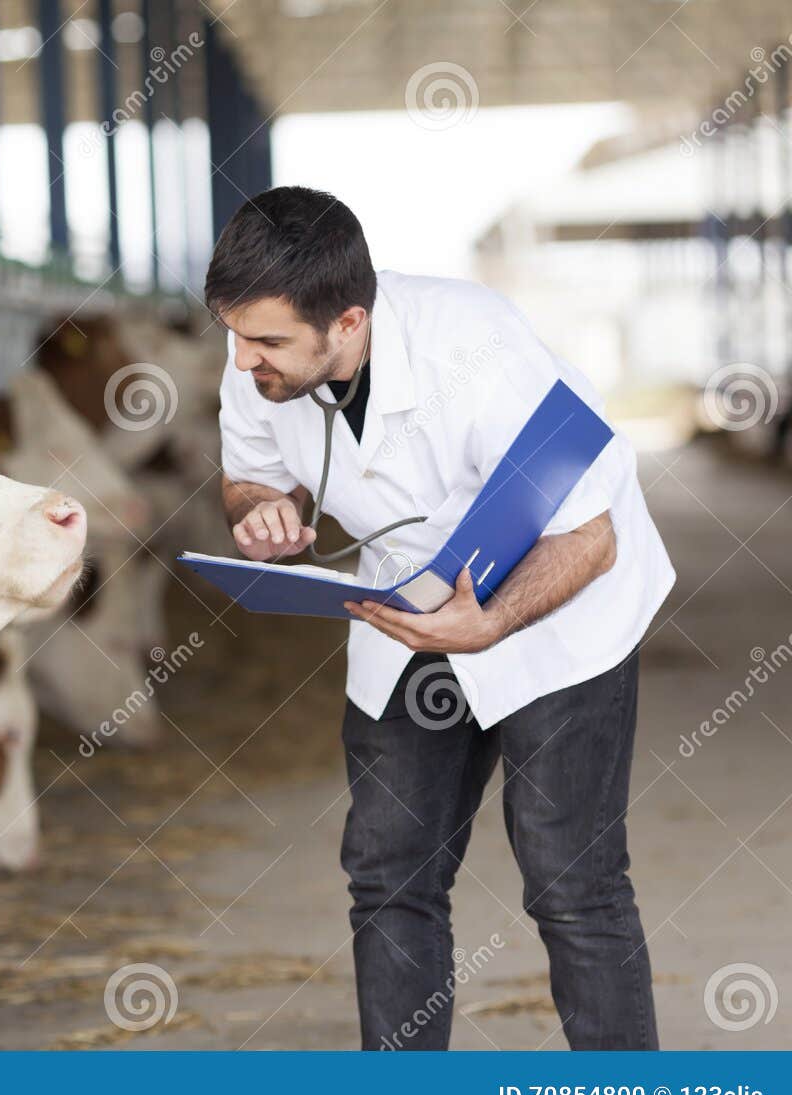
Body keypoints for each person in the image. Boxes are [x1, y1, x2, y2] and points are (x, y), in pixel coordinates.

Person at [210, 186, 674, 1050]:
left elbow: (590, 536)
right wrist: (263, 505)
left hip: (556, 612)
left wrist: (491, 625)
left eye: (267, 341)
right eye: (235, 334)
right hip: (409, 603)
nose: (243, 361)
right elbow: (249, 469)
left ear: (349, 322)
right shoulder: (259, 356)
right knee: (389, 870)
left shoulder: (477, 346)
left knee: (570, 881)